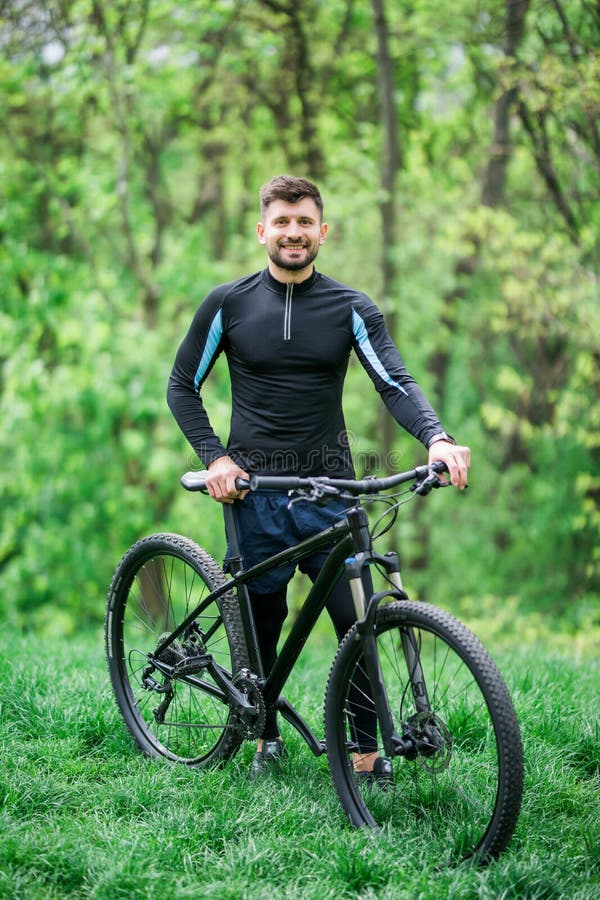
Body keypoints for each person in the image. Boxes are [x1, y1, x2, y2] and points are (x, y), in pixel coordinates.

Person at [167, 175, 470, 779]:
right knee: (263, 623)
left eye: (304, 222)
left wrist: (436, 436)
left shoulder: (351, 308)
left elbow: (394, 383)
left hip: (331, 490)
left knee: (357, 619)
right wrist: (214, 457)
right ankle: (263, 736)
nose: (293, 232)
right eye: (281, 221)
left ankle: (363, 755)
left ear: (322, 232)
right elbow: (181, 386)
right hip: (254, 491)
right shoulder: (227, 305)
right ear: (262, 231)